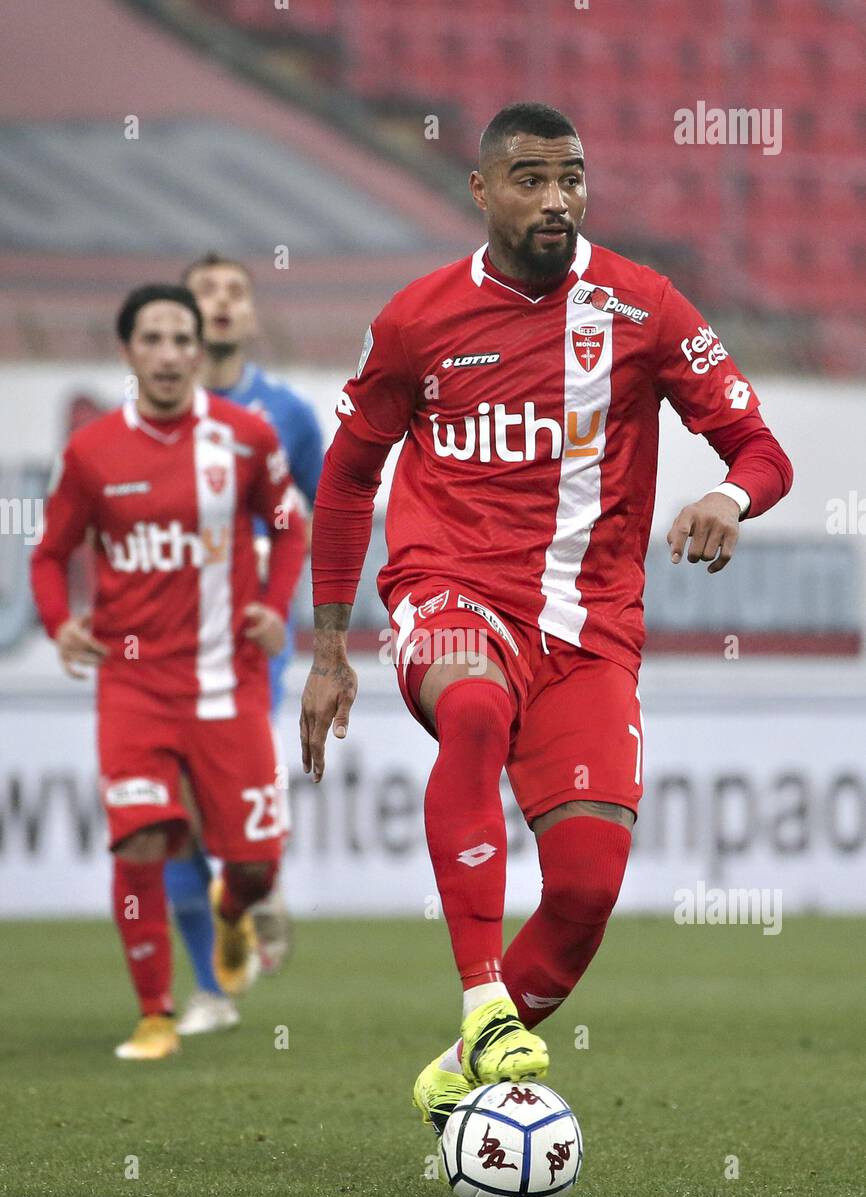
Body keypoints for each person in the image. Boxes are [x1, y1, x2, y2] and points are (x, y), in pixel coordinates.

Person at [300, 103, 793, 1131]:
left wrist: (726, 497)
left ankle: (456, 1076)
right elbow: (348, 479)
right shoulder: (415, 321)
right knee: (472, 708)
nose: (555, 197)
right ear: (480, 192)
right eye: (529, 178)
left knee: (581, 892)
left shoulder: (642, 306)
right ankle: (483, 1000)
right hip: (447, 588)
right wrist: (328, 644)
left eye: (570, 176)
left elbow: (759, 447)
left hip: (588, 630)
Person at [31, 284, 305, 1058]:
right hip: (135, 685)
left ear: (196, 350)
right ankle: (156, 1014)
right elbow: (49, 555)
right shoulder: (91, 454)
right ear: (127, 353)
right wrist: (61, 626)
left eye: (181, 339)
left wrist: (277, 606)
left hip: (228, 680)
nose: (168, 353)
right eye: (151, 338)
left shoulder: (246, 437)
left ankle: (233, 910)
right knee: (141, 842)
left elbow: (291, 528)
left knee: (255, 863)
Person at [160, 254, 323, 1007]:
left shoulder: (286, 416)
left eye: (234, 293)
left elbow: (326, 519)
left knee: (220, 787)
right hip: (163, 634)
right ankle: (210, 984)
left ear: (250, 316)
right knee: (173, 811)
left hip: (251, 636)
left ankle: (254, 882)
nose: (221, 305)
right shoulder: (152, 418)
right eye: (205, 293)